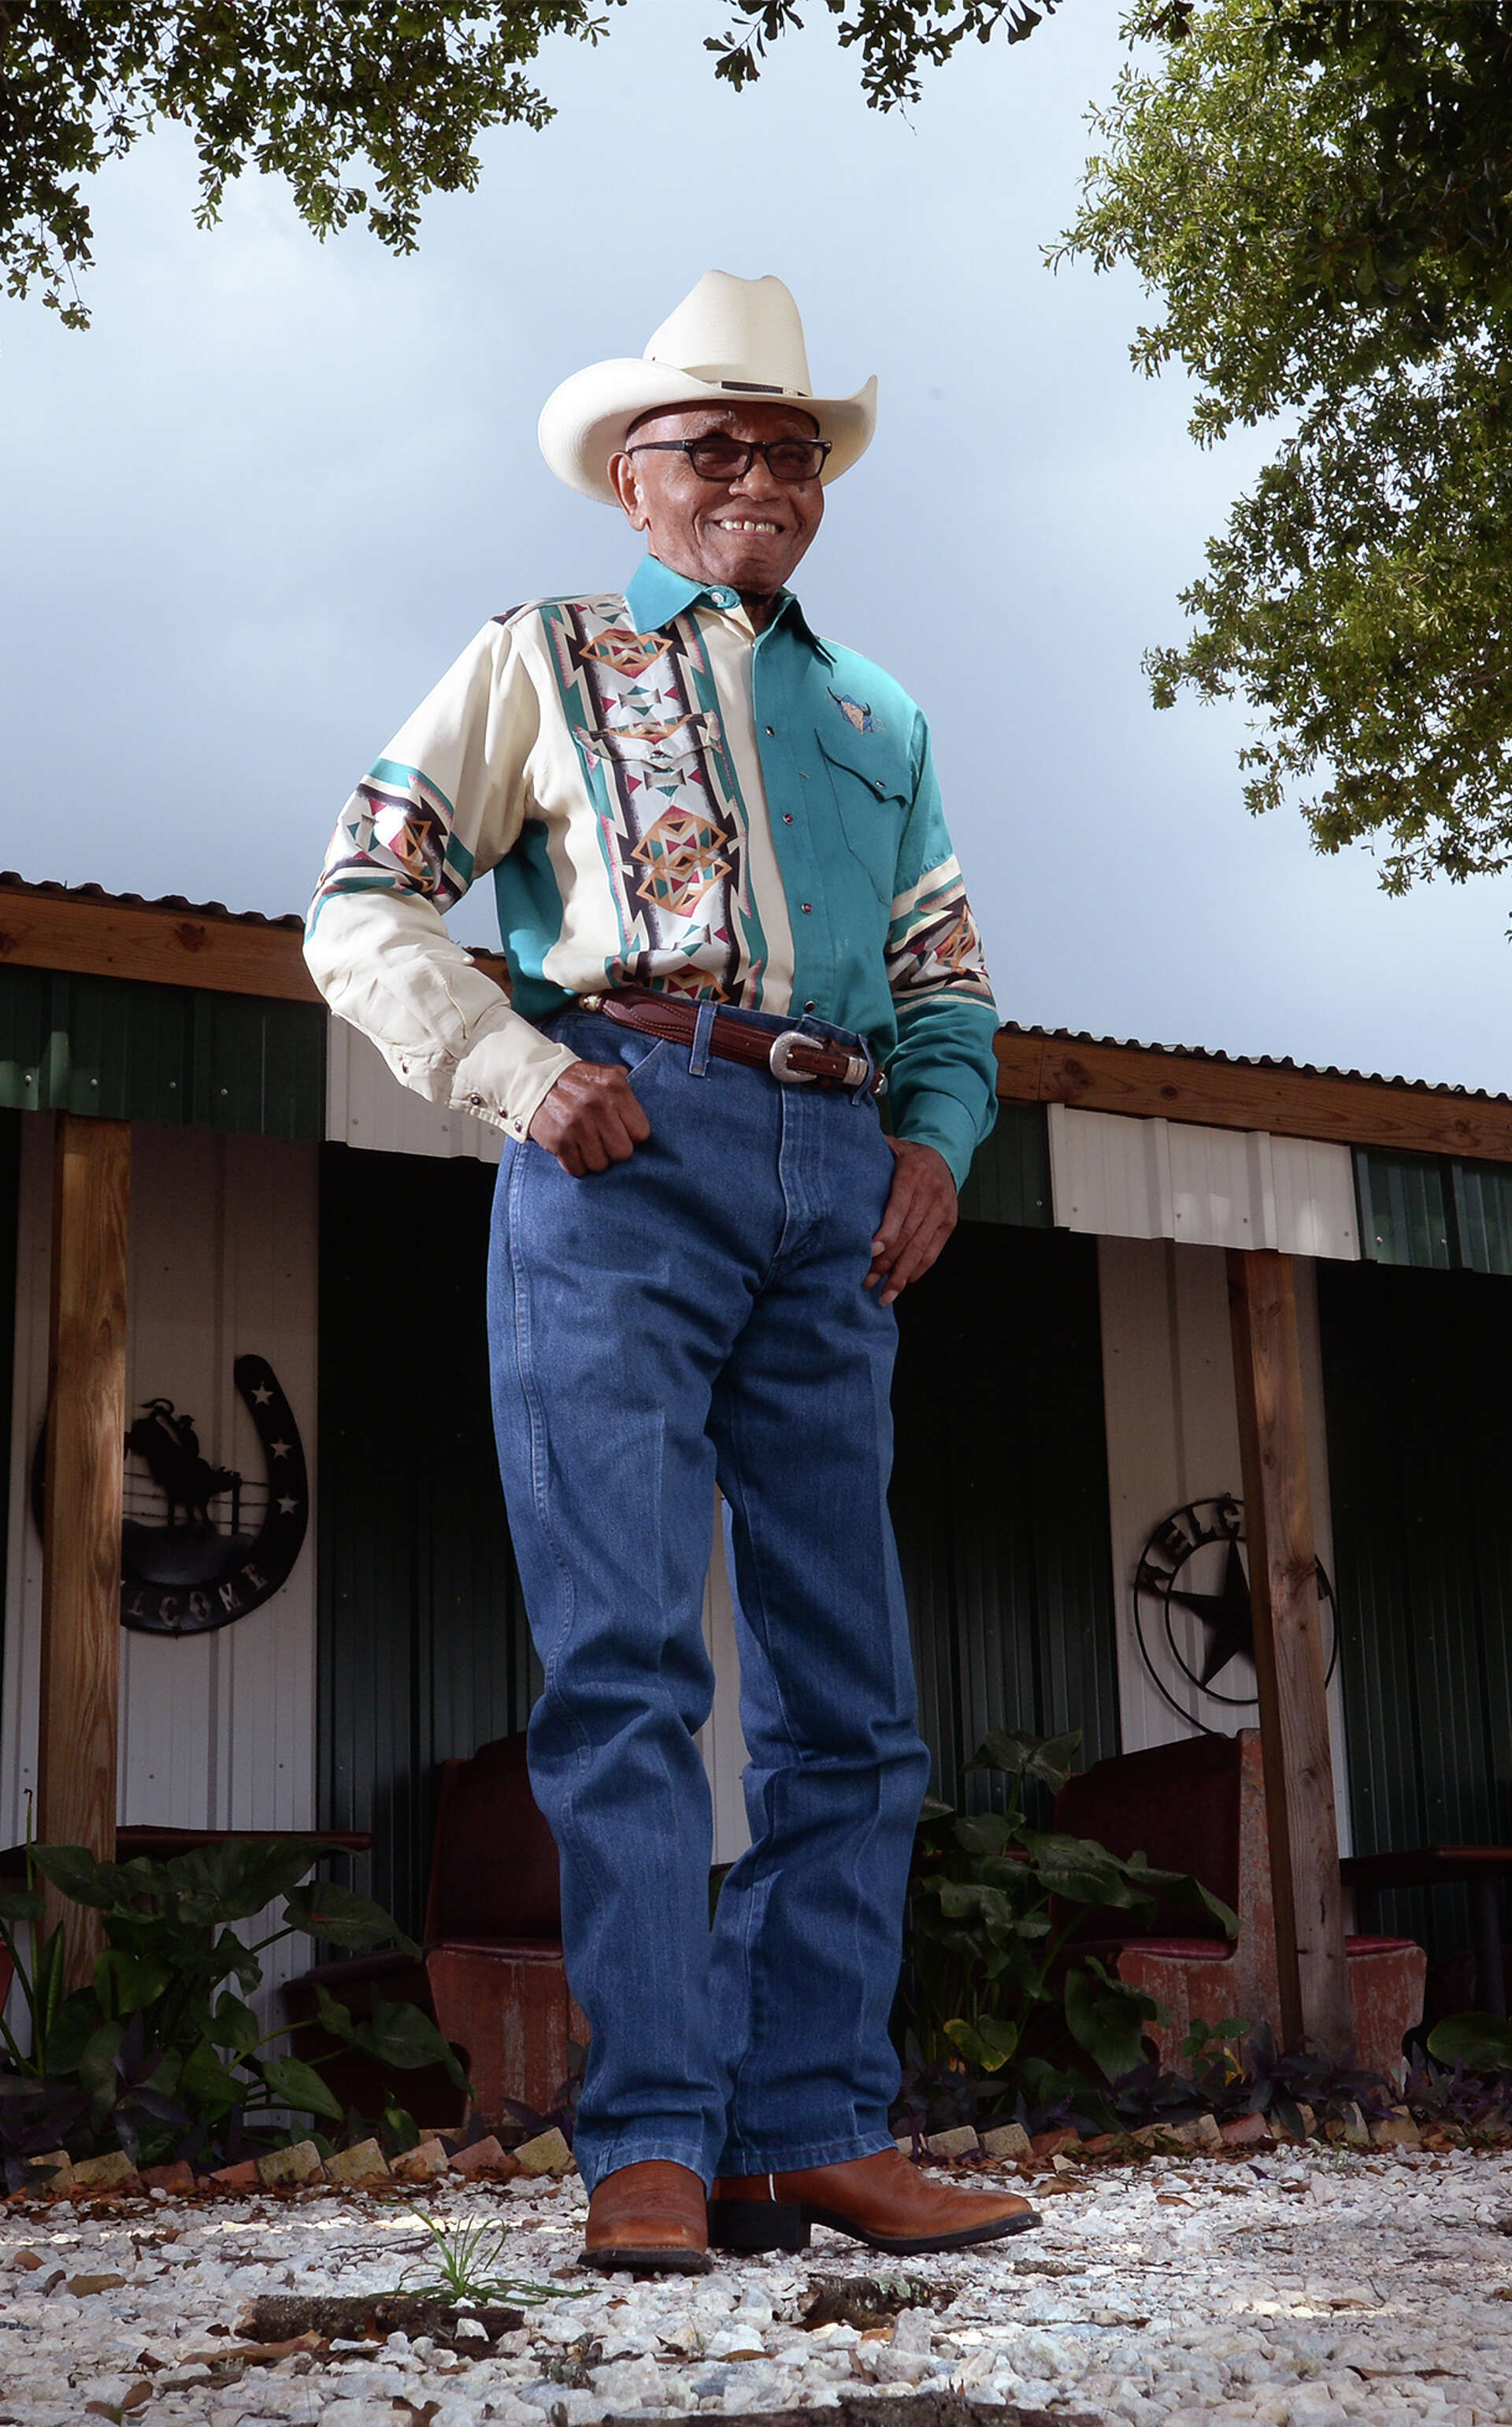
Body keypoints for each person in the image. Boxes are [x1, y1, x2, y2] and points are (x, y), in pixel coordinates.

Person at [305, 271, 1039, 2273]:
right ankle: (648, 2139)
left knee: (852, 1685)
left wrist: (935, 1145)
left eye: (791, 449)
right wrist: (527, 1075)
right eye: (714, 444)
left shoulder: (882, 714)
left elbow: (951, 985)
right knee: (628, 1661)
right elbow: (360, 899)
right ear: (634, 483)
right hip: (621, 1135)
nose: (759, 477)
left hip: (837, 1172)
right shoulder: (533, 651)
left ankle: (811, 2127)